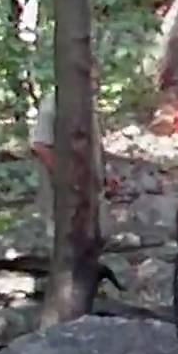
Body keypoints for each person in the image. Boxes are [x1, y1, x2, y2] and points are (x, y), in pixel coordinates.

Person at [30, 90, 112, 243]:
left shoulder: (87, 101)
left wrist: (105, 174)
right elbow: (41, 146)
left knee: (96, 237)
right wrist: (67, 178)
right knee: (63, 237)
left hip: (90, 188)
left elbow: (95, 144)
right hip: (63, 190)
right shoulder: (53, 105)